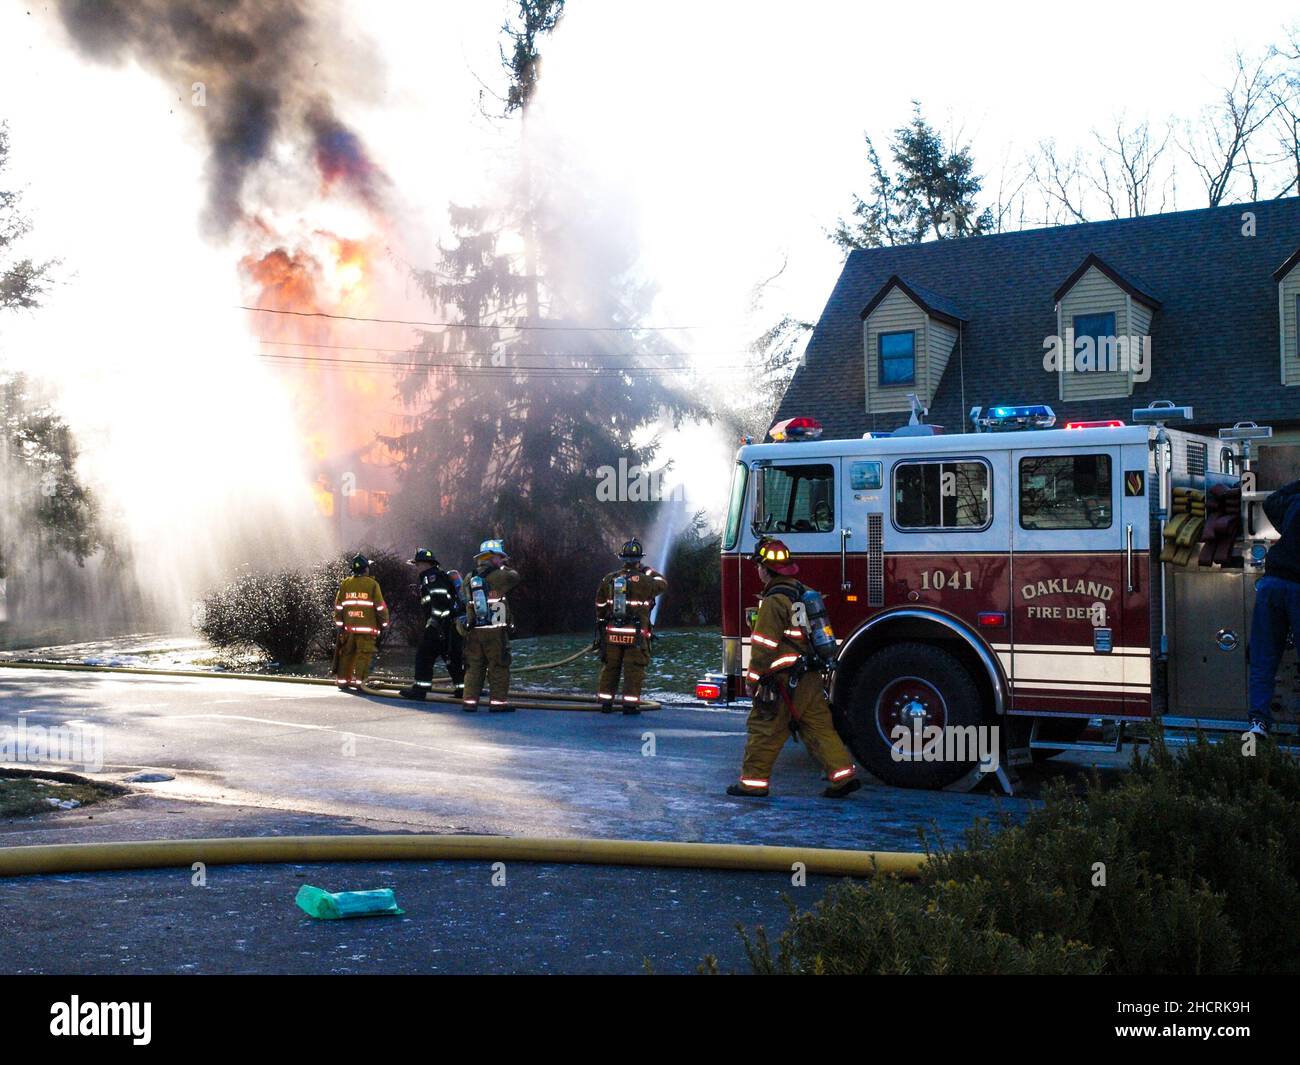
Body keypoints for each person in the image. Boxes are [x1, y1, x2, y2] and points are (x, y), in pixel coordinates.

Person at [728, 537, 860, 798]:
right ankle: (843, 777)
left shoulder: (774, 601)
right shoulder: (805, 592)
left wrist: (753, 679)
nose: (758, 571)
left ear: (766, 569)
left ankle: (752, 784)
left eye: (759, 566)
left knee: (765, 729)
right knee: (819, 728)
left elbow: (764, 646)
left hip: (783, 681)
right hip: (810, 677)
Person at [1248, 477, 1300, 737]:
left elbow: (1270, 502)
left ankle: (1258, 723)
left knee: (1263, 657)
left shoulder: (1294, 500)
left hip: (1272, 583)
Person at [593, 538, 668, 715]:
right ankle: (630, 705)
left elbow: (600, 605)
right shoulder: (646, 580)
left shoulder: (609, 579)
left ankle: (605, 703)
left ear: (622, 559)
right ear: (639, 560)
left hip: (612, 633)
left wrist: (603, 622)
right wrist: (647, 570)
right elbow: (663, 583)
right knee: (633, 668)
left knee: (610, 667)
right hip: (635, 635)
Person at [460, 539, 521, 712]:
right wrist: (503, 565)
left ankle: (469, 702)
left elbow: (465, 599)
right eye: (500, 557)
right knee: (499, 665)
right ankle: (498, 703)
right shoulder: (501, 574)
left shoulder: (469, 577)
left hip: (474, 630)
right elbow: (515, 576)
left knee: (474, 666)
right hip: (495, 628)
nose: (502, 560)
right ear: (494, 557)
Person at [399, 549, 465, 702]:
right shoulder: (437, 576)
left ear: (425, 563)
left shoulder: (431, 577)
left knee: (423, 656)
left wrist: (434, 623)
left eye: (418, 564)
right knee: (451, 657)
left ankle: (420, 689)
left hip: (439, 625)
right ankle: (463, 689)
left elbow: (440, 601)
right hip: (449, 625)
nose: (417, 567)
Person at [333, 554, 389, 690]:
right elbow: (380, 607)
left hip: (349, 629)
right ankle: (361, 684)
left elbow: (338, 607)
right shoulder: (372, 584)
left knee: (347, 654)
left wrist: (340, 626)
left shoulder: (346, 583)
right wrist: (385, 624)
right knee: (364, 656)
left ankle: (342, 681)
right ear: (366, 569)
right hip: (367, 629)